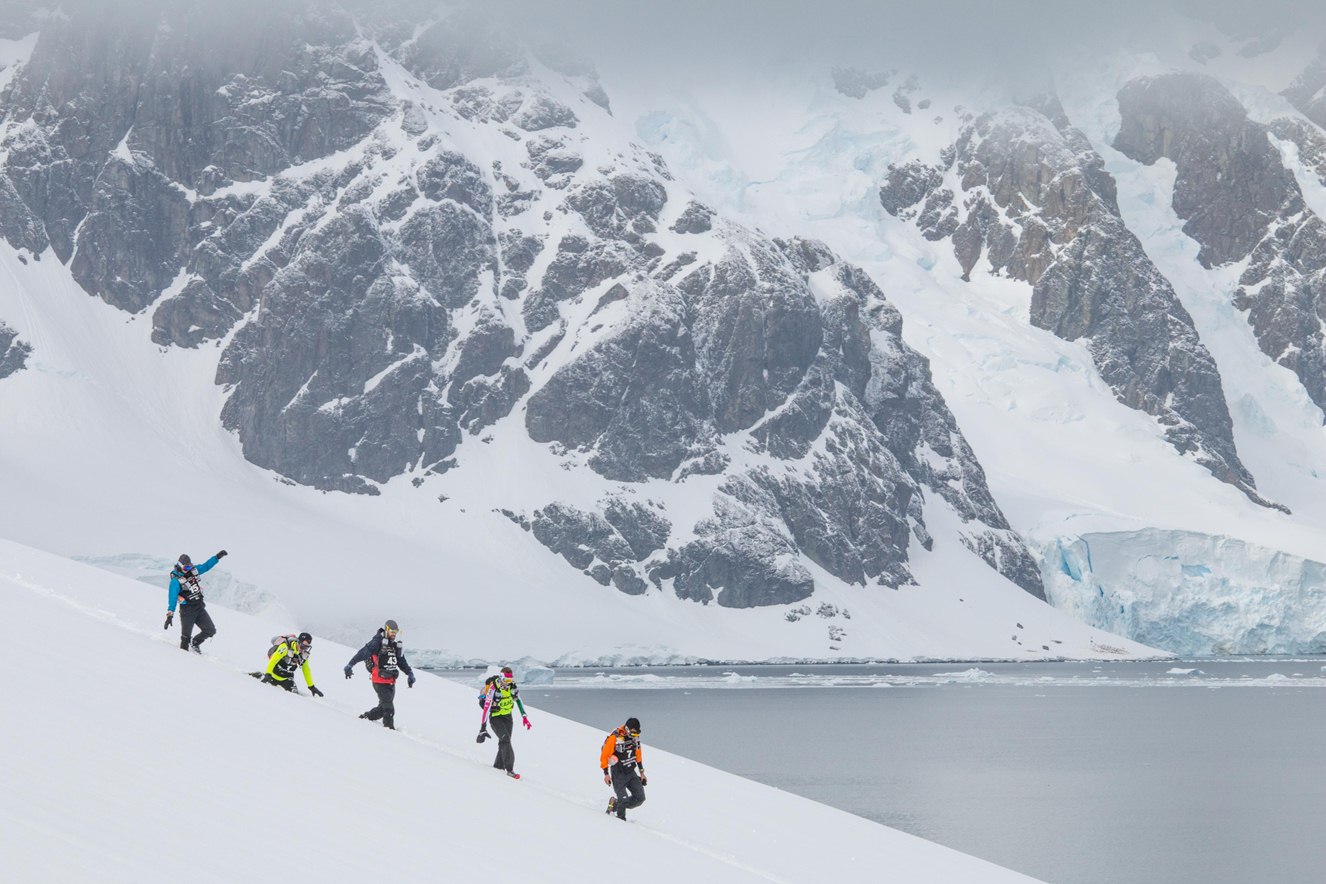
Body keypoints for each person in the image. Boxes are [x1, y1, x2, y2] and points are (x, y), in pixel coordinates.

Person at [344, 619, 414, 729]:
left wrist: (410, 674)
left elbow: (402, 662)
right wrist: (350, 665)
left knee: (382, 709)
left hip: (391, 681)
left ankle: (367, 717)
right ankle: (390, 731)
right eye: (392, 632)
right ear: (386, 630)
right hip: (379, 680)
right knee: (389, 709)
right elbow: (362, 653)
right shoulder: (377, 642)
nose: (394, 634)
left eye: (396, 632)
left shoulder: (395, 646)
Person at [163, 551, 228, 653]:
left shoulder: (194, 571)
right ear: (180, 566)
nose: (188, 569)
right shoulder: (175, 581)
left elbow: (206, 566)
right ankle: (182, 658)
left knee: (210, 630)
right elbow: (172, 598)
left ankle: (195, 643)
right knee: (185, 638)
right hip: (187, 611)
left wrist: (217, 557)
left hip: (199, 608)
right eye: (186, 568)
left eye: (189, 567)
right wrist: (170, 614)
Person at [477, 666, 532, 779]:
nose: (508, 682)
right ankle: (510, 770)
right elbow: (486, 708)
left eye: (510, 680)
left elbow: (519, 700)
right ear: (501, 678)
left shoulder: (512, 687)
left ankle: (498, 766)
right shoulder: (493, 688)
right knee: (505, 739)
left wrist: (524, 716)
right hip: (495, 718)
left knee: (504, 742)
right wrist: (483, 727)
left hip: (508, 718)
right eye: (506, 680)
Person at [600, 717, 647, 820]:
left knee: (640, 798)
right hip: (618, 773)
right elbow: (604, 756)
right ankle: (620, 822)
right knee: (624, 800)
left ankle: (614, 804)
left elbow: (638, 755)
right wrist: (606, 774)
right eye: (633, 733)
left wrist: (642, 772)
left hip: (631, 772)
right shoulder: (615, 738)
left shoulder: (635, 738)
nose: (634, 736)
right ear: (627, 728)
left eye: (636, 733)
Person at [253, 632, 324, 697]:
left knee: (294, 695)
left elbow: (306, 669)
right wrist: (268, 674)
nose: (303, 650)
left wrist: (311, 687)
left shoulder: (303, 655)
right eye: (302, 646)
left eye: (306, 647)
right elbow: (273, 660)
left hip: (287, 679)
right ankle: (260, 675)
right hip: (272, 675)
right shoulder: (285, 647)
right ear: (298, 642)